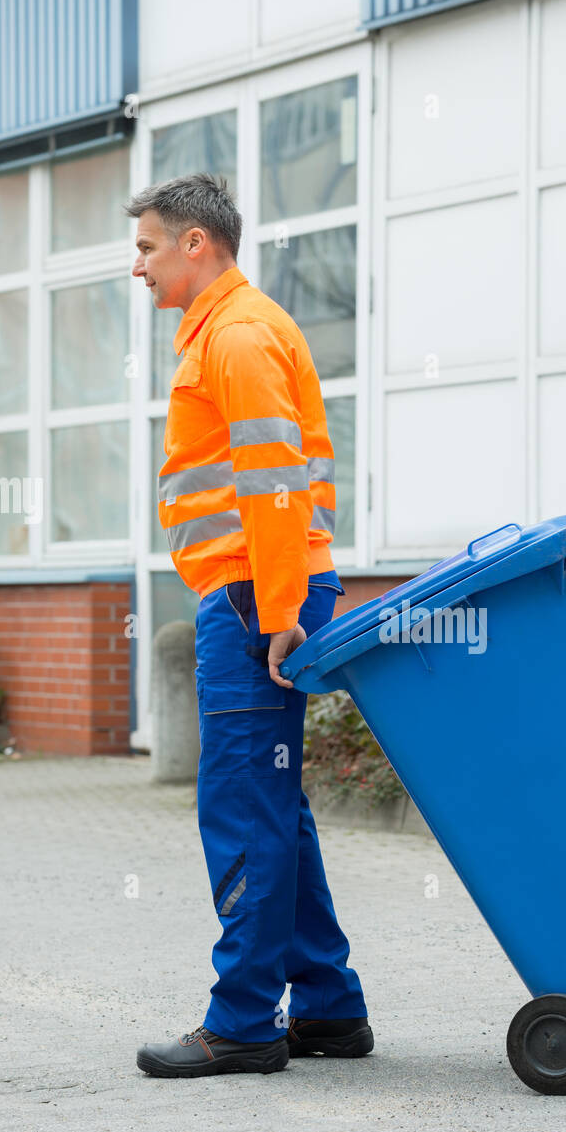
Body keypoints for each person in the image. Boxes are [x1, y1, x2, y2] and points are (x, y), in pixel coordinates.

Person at [126, 173, 371, 1077]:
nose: (139, 266)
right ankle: (330, 1010)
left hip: (253, 599)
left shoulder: (235, 335)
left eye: (149, 247)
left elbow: (271, 485)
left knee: (241, 805)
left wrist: (273, 615)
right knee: (275, 807)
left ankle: (241, 1024)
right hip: (256, 592)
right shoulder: (232, 330)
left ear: (198, 244)